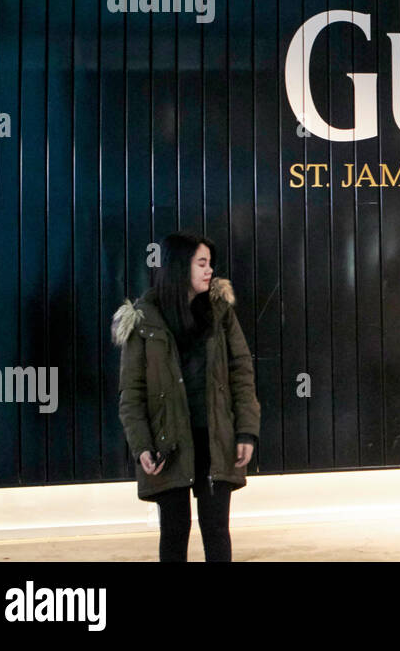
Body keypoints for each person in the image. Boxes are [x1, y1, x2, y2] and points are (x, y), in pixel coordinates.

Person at [111, 231, 261, 562]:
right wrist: (141, 447)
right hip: (168, 442)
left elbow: (242, 373)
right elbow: (131, 394)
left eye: (210, 264)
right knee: (175, 531)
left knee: (217, 529)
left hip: (215, 439)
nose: (210, 271)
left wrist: (246, 431)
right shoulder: (144, 319)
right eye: (202, 263)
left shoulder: (221, 313)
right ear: (181, 266)